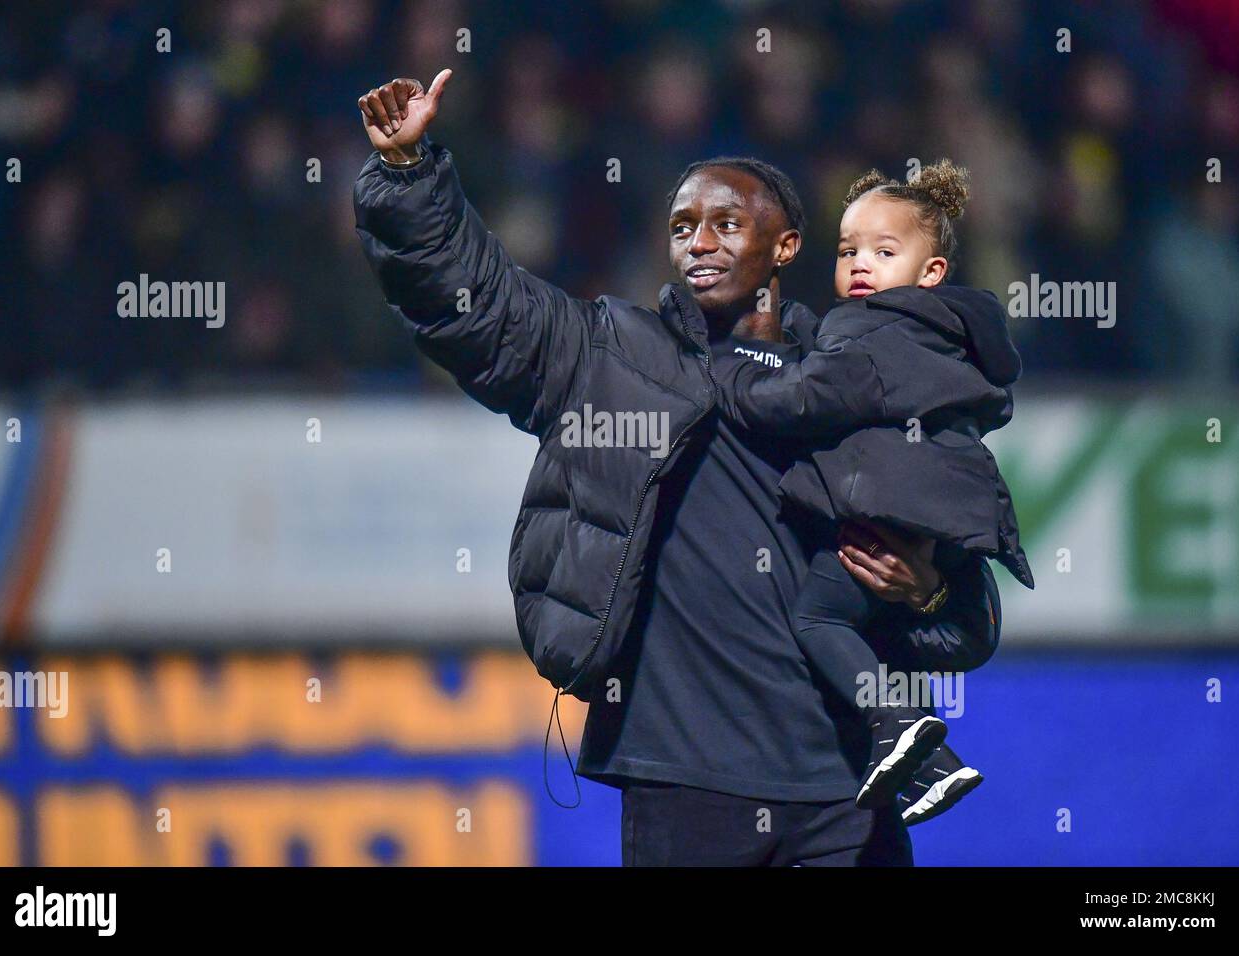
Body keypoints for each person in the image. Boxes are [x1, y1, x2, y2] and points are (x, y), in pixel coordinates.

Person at [353, 71, 1003, 865]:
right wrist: (410, 176)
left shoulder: (859, 380)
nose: (699, 241)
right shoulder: (611, 357)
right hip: (684, 785)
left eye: (727, 223)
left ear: (786, 245)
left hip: (846, 788)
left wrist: (930, 592)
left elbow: (969, 608)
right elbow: (474, 306)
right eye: (683, 225)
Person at [710, 161, 1034, 825]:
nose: (860, 265)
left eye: (884, 252)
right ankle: (932, 764)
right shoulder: (944, 336)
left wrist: (732, 387)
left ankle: (898, 724)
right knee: (864, 620)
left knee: (820, 619)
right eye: (849, 250)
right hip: (937, 514)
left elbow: (805, 398)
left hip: (889, 508)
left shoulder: (868, 329)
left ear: (931, 272)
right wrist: (931, 587)